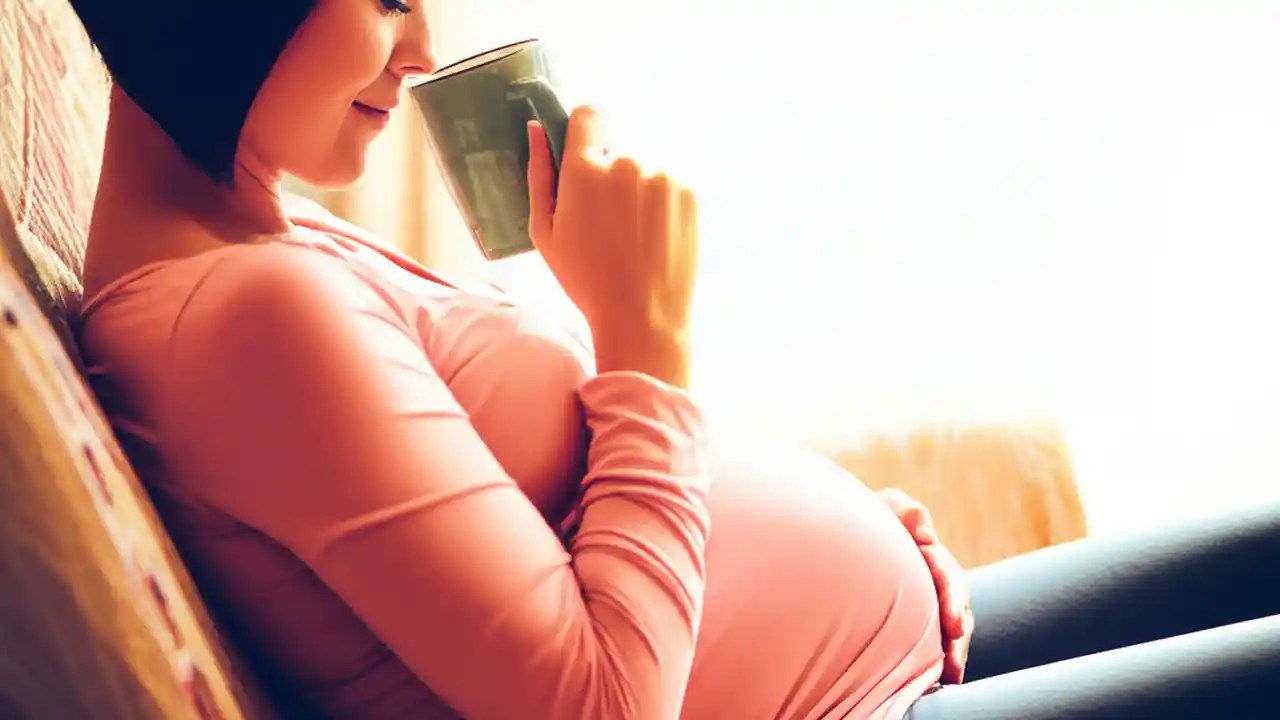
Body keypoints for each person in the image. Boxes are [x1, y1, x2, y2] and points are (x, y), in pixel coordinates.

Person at [67, 1, 1279, 719]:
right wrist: (644, 337)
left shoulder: (261, 236)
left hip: (872, 668)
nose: (423, 43)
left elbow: (558, 518)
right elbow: (594, 704)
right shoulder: (239, 321)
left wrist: (840, 527)